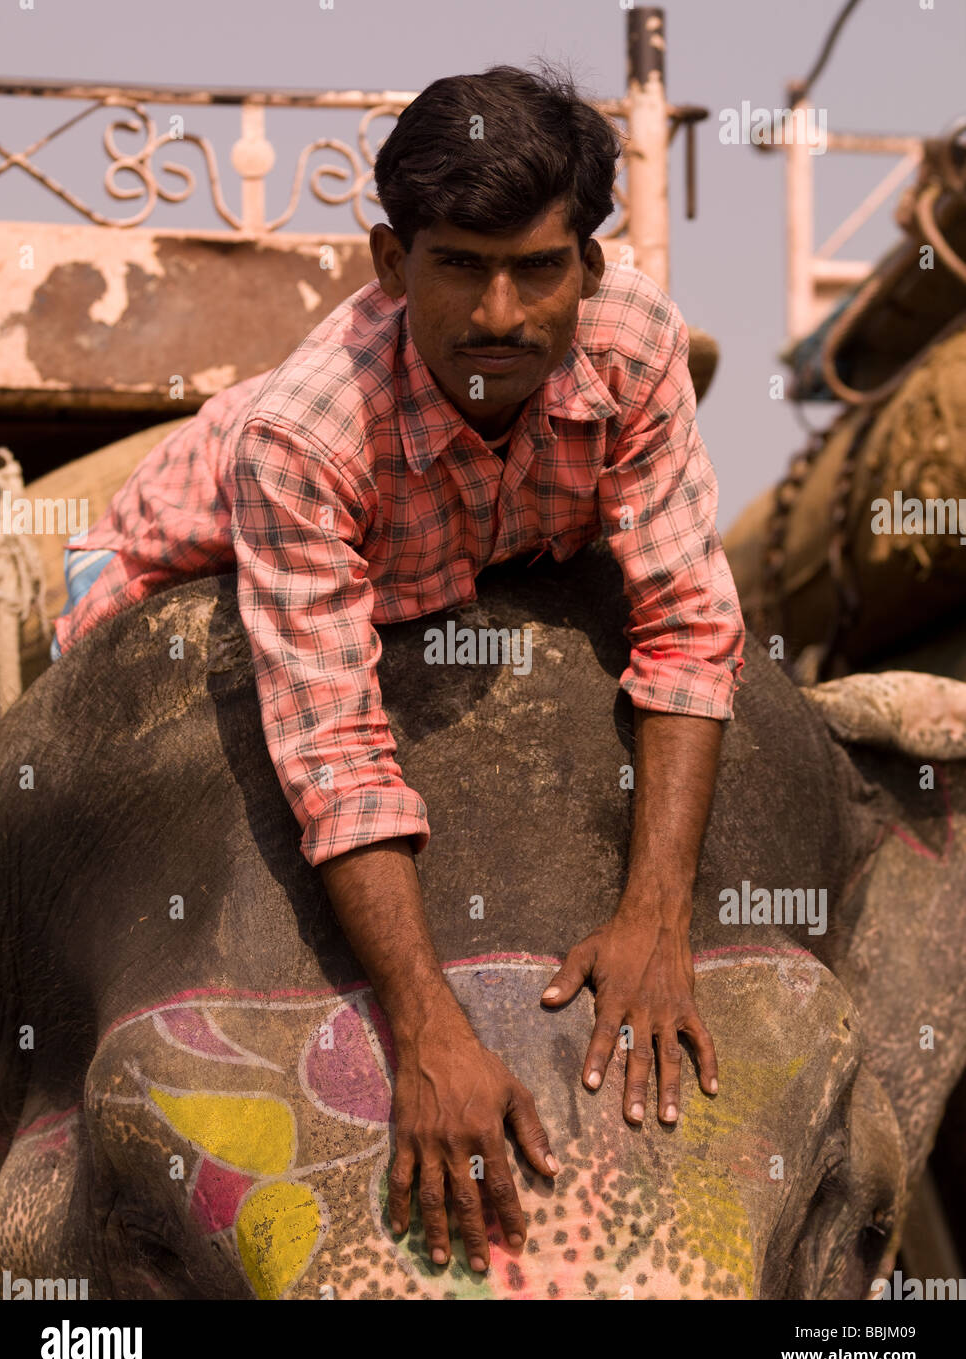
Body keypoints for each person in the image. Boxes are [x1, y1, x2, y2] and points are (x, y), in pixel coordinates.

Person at [51, 61, 745, 1278]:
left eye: (539, 269)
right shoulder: (304, 434)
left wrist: (655, 917)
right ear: (389, 262)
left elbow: (689, 625)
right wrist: (426, 1029)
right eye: (460, 266)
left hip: (472, 552)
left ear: (589, 266)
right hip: (182, 560)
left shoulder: (640, 345)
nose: (501, 313)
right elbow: (333, 749)